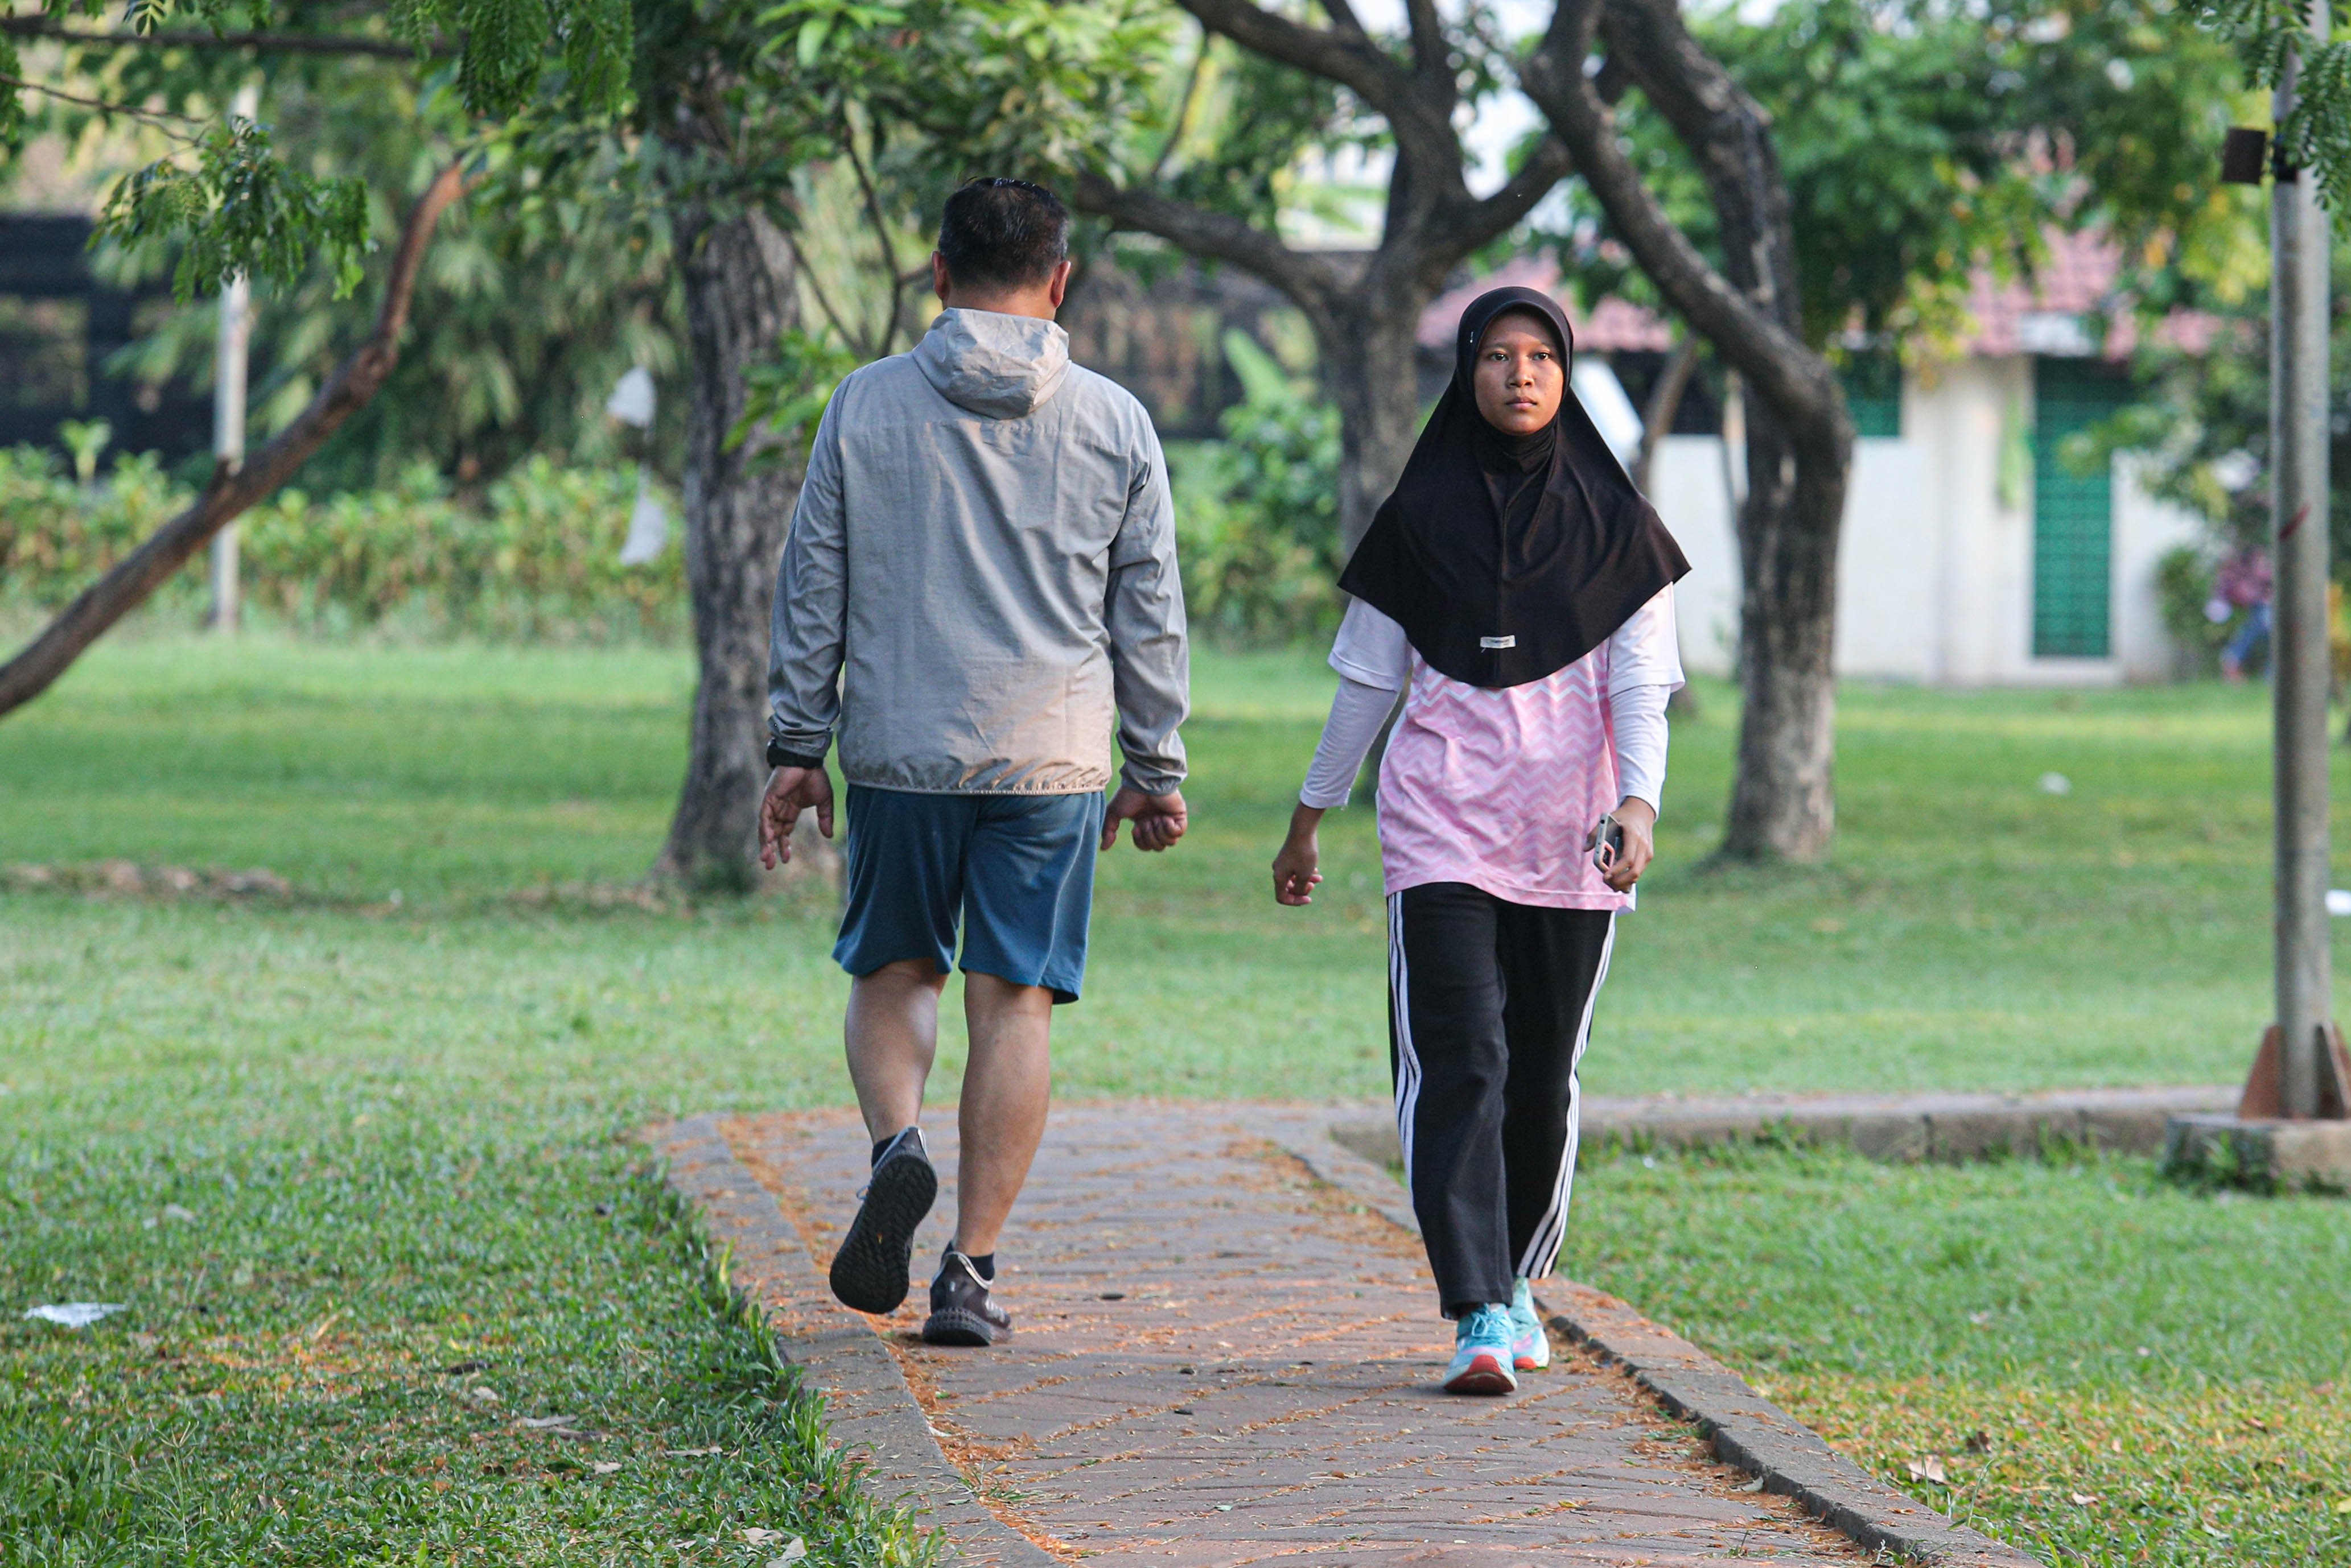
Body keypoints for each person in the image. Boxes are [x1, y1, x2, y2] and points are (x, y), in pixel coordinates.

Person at [759, 176, 1191, 1347]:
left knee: (894, 970)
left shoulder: (862, 406)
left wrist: (798, 747)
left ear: (937, 273)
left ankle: (897, 1150)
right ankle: (970, 1274)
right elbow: (1146, 608)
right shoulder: (1112, 421)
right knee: (1017, 1003)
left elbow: (814, 590)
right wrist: (1154, 761)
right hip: (1049, 763)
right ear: (1060, 284)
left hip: (901, 749)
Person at [1270, 286, 1688, 1396]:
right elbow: (1366, 683)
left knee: (1541, 1075)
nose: (1519, 375)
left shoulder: (1619, 528)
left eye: (1540, 355)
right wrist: (1310, 816)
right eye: (1496, 356)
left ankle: (1517, 1274)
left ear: (1563, 373)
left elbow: (1641, 685)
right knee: (1463, 1059)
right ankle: (1475, 1307)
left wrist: (1638, 806)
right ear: (1466, 375)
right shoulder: (1417, 522)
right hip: (1439, 823)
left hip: (1573, 835)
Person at [2210, 546, 2272, 682]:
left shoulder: (2257, 575)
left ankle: (2233, 659)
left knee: (2258, 632)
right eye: (2260, 561)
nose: (2264, 563)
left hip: (2262, 607)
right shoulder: (2247, 575)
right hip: (2260, 607)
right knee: (2259, 632)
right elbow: (2244, 593)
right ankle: (2233, 660)